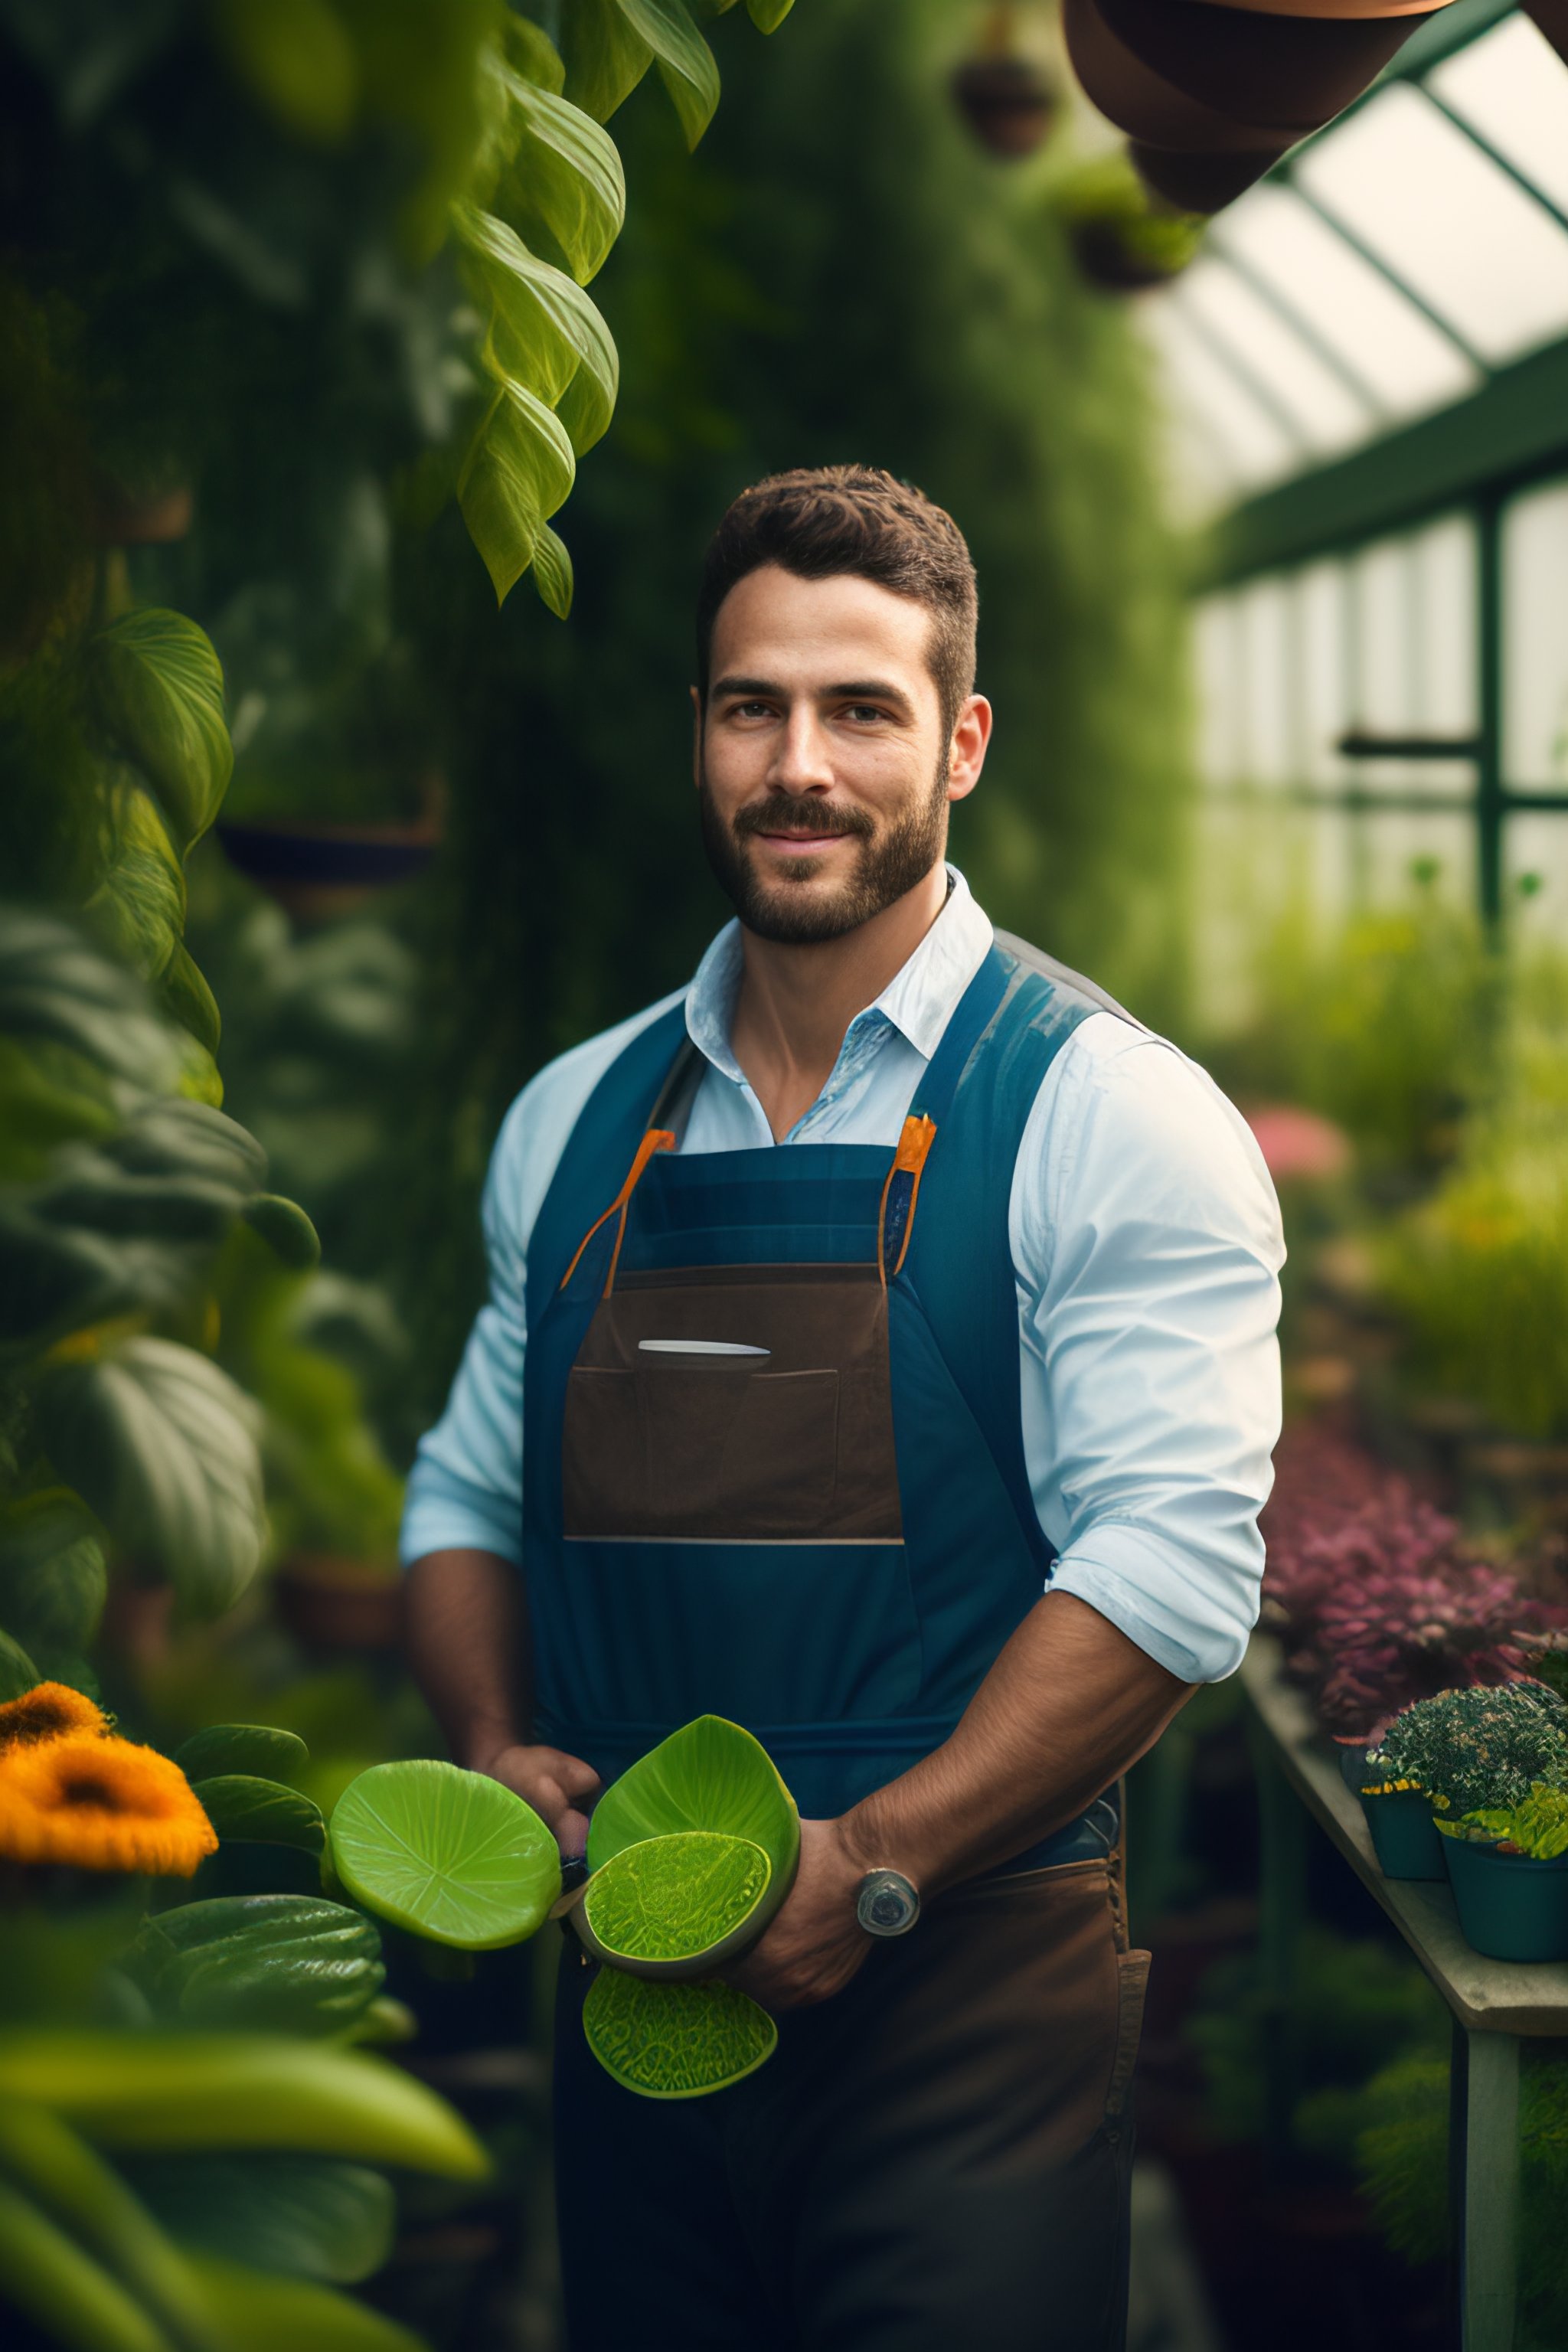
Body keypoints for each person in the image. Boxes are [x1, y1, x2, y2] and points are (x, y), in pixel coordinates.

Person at [400, 465, 1284, 2351]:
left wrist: (872, 1867)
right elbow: (467, 1494)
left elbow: (1174, 1570)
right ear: (702, 736)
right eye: (752, 706)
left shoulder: (1105, 1112)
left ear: (957, 743)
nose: (798, 763)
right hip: (634, 1982)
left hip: (961, 1997)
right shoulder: (571, 1125)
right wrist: (488, 1741)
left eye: (859, 710)